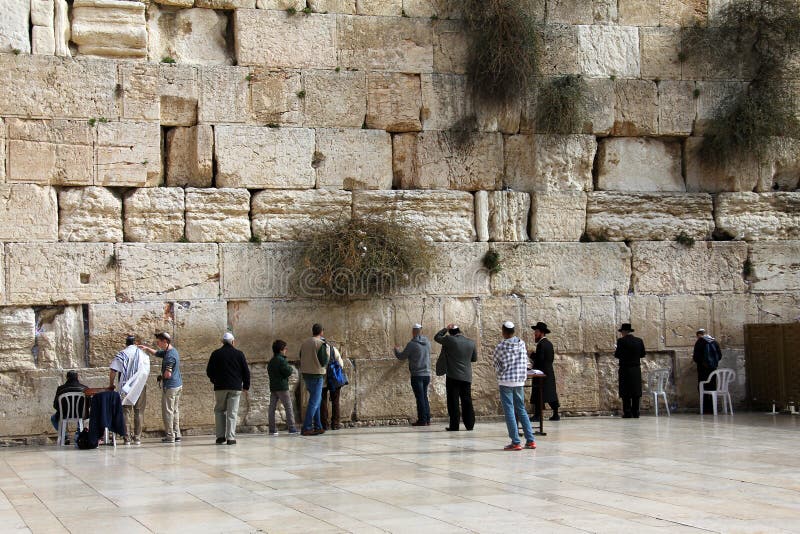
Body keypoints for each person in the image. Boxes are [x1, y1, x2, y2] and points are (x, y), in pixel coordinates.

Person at [493, 321, 536, 451]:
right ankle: (531, 440)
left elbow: (496, 364)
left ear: (503, 331)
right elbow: (525, 362)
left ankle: (516, 441)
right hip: (519, 381)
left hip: (506, 381)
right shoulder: (521, 344)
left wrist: (502, 372)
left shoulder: (500, 346)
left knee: (510, 411)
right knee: (521, 409)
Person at [206, 332, 250, 445]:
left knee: (219, 411)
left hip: (220, 387)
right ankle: (231, 438)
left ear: (222, 342)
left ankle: (220, 437)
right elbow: (246, 371)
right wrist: (246, 386)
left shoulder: (215, 354)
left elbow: (209, 371)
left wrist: (214, 381)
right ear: (233, 342)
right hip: (235, 387)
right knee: (232, 412)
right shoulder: (239, 354)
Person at [140, 332, 182, 443]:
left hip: (170, 387)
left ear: (165, 341)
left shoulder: (170, 356)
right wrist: (147, 348)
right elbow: (158, 353)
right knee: (175, 410)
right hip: (177, 385)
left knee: (168, 411)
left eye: (158, 342)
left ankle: (170, 436)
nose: (157, 344)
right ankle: (177, 433)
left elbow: (168, 374)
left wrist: (161, 377)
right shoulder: (172, 351)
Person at [434, 323, 478, 431]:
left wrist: (445, 329)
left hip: (453, 376)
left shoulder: (449, 340)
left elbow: (437, 337)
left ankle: (454, 425)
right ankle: (470, 424)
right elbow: (474, 359)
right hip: (467, 377)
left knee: (453, 401)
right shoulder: (471, 342)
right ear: (460, 331)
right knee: (467, 400)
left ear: (451, 332)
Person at [109, 335, 150, 445]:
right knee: (139, 411)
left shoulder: (122, 354)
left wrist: (111, 384)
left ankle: (126, 438)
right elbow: (146, 370)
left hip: (126, 386)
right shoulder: (142, 354)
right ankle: (137, 438)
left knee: (125, 411)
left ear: (126, 343)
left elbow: (113, 371)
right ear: (135, 343)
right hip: (140, 385)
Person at [394, 323, 431, 426]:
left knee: (419, 397)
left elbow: (401, 356)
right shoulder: (427, 342)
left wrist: (396, 350)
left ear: (413, 332)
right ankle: (427, 419)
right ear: (421, 331)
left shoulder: (412, 344)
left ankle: (422, 420)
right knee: (424, 396)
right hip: (427, 374)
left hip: (417, 375)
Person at [299, 323, 328, 436]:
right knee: (314, 402)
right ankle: (306, 427)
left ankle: (318, 426)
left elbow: (301, 356)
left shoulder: (305, 343)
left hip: (306, 375)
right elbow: (324, 360)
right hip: (316, 375)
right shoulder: (320, 343)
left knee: (317, 400)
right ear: (321, 332)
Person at [529, 322, 560, 422]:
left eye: (536, 332)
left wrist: (532, 355)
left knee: (539, 393)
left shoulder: (541, 345)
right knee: (550, 394)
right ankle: (556, 414)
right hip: (549, 372)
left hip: (541, 373)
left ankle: (538, 415)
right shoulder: (549, 344)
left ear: (541, 333)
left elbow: (540, 359)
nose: (535, 334)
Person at [615, 323, 646, 418]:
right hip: (636, 369)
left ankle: (627, 412)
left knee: (626, 391)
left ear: (624, 332)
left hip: (625, 368)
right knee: (636, 391)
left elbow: (617, 355)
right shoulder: (639, 341)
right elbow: (643, 354)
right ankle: (636, 412)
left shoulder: (621, 341)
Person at [267, 339, 298, 435]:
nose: (286, 350)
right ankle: (292, 428)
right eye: (285, 349)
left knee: (272, 408)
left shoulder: (271, 361)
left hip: (273, 387)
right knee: (288, 407)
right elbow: (288, 371)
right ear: (281, 350)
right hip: (282, 387)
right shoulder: (282, 360)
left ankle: (272, 429)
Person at [51, 370, 88, 442]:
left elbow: (55, 405)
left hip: (64, 414)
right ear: (77, 377)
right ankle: (78, 436)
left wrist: (63, 411)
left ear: (67, 378)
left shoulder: (61, 389)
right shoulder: (85, 388)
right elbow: (88, 404)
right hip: (81, 414)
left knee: (53, 418)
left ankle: (64, 436)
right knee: (81, 417)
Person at [693, 328, 722, 413]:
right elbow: (719, 356)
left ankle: (705, 409)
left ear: (698, 335)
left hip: (702, 370)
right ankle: (713, 409)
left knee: (702, 388)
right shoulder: (714, 342)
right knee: (712, 387)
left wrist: (702, 363)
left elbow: (696, 358)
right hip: (713, 370)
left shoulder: (699, 342)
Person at [320, 340, 344, 430]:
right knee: (335, 401)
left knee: (323, 402)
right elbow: (341, 364)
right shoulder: (333, 349)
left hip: (322, 380)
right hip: (334, 380)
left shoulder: (317, 351)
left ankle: (324, 424)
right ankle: (335, 424)